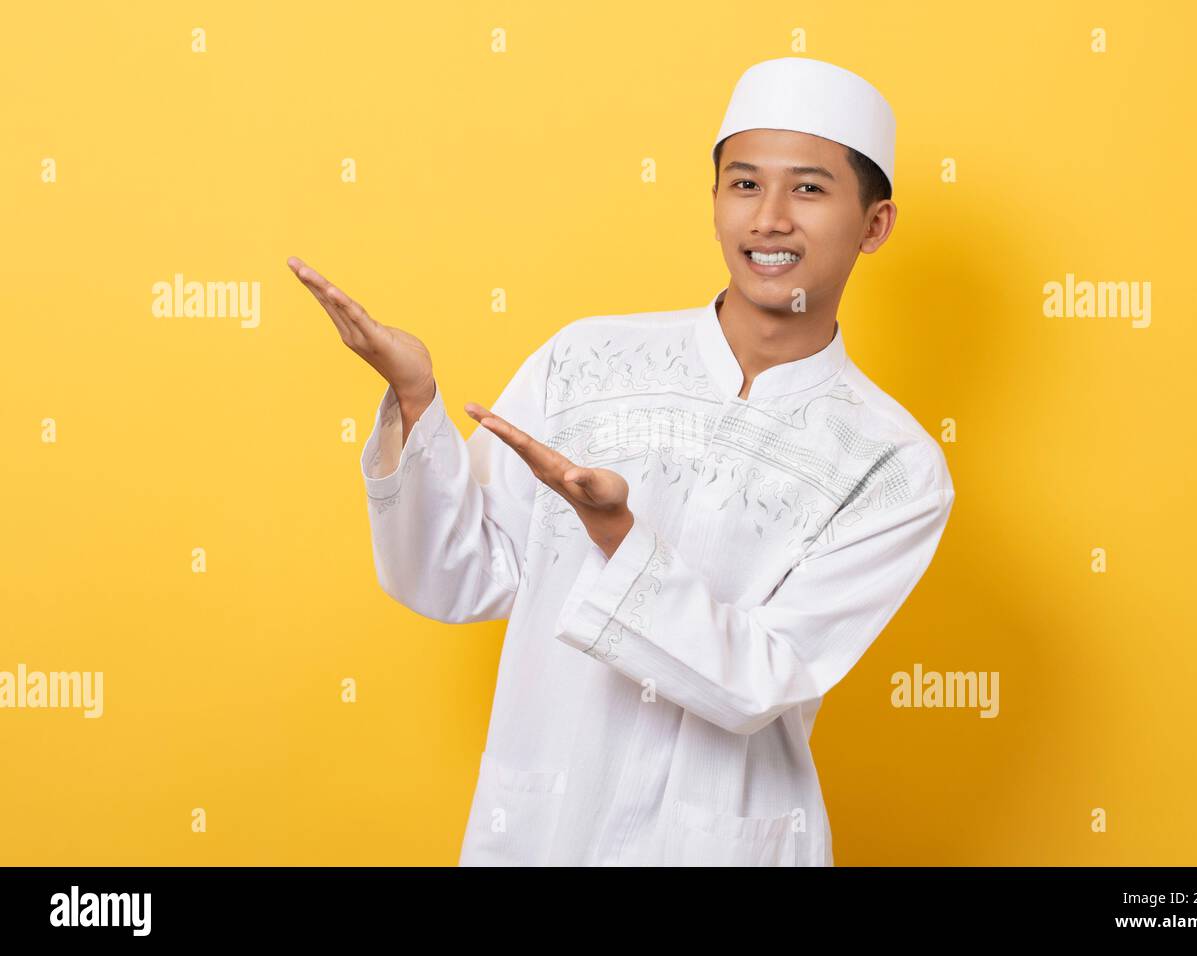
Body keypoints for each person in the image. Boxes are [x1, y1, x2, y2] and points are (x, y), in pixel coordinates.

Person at [287, 56, 955, 866]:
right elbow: (456, 576)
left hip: (723, 841)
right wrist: (416, 399)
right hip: (543, 826)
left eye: (808, 190)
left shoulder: (893, 466)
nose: (770, 218)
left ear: (874, 225)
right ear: (713, 202)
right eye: (744, 185)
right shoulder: (588, 359)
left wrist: (617, 537)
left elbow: (760, 680)